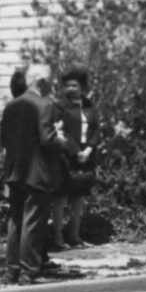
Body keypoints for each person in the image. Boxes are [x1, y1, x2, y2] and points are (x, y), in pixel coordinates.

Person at [0, 67, 71, 284]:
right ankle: (30, 270)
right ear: (41, 82)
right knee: (33, 221)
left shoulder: (11, 105)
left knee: (16, 220)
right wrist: (63, 141)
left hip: (15, 171)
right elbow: (48, 139)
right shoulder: (45, 105)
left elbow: (3, 139)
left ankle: (12, 270)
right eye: (49, 83)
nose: (51, 86)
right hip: (37, 171)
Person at [52, 68, 100, 249]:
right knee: (60, 198)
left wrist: (88, 150)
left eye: (75, 85)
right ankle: (58, 238)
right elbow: (61, 130)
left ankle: (75, 236)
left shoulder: (89, 105)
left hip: (86, 157)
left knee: (78, 199)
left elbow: (96, 130)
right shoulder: (60, 106)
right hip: (66, 158)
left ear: (82, 87)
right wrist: (75, 151)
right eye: (68, 85)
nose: (71, 88)